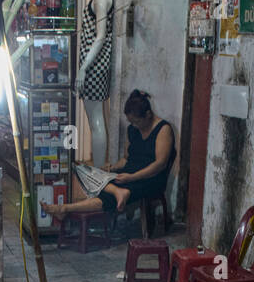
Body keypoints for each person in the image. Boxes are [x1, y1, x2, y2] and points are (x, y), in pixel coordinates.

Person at [46, 89, 174, 218]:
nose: (134, 126)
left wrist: (132, 177)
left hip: (150, 178)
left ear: (148, 114)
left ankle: (64, 209)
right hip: (128, 173)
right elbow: (126, 158)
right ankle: (118, 192)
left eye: (137, 122)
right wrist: (111, 168)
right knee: (81, 170)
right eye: (131, 122)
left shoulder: (163, 129)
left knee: (107, 195)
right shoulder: (132, 129)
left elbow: (160, 164)